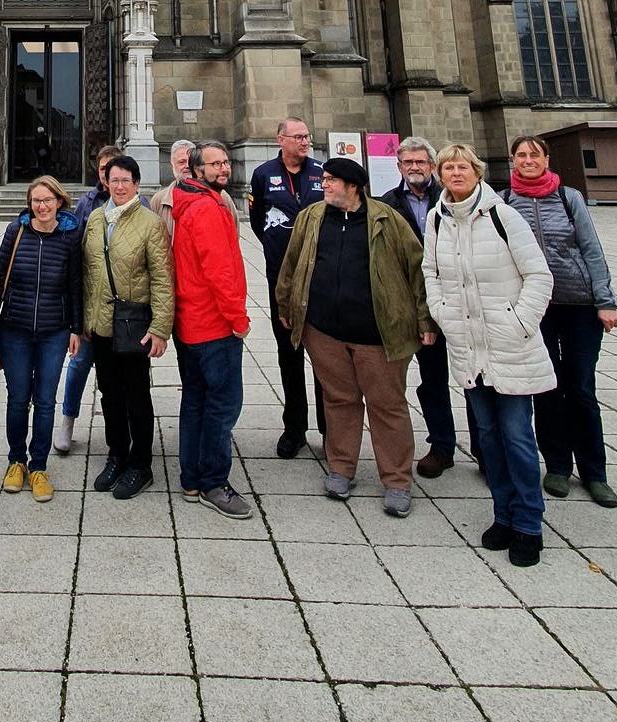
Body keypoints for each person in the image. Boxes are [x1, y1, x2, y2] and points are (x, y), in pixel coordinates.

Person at [275, 156, 434, 518]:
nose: (324, 185)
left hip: (376, 334)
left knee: (387, 405)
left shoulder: (387, 220)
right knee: (338, 400)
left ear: (353, 186)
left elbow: (417, 270)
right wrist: (286, 305)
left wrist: (425, 319)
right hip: (325, 331)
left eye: (331, 180)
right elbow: (292, 263)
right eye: (324, 179)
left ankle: (396, 479)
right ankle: (341, 467)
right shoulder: (311, 217)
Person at [422, 142, 555, 568]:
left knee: (517, 436)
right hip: (468, 346)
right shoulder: (437, 219)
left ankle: (529, 524)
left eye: (462, 167)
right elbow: (431, 273)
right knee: (489, 438)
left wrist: (519, 322)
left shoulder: (503, 215)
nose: (455, 173)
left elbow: (539, 275)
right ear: (440, 175)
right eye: (448, 168)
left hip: (508, 344)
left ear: (476, 171)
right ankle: (503, 515)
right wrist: (443, 314)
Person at [503, 135, 617, 508]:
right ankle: (556, 465)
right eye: (522, 155)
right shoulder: (505, 201)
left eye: (534, 155)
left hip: (578, 303)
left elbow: (591, 249)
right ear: (512, 161)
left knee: (582, 387)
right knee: (546, 386)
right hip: (535, 307)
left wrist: (605, 301)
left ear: (546, 159)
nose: (528, 160)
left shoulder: (569, 198)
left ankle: (594, 472)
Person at [380, 136, 484, 480]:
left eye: (421, 162)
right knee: (432, 381)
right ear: (399, 167)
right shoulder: (388, 204)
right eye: (408, 163)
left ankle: (484, 449)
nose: (414, 168)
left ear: (432, 167)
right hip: (417, 308)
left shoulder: (455, 201)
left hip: (462, 303)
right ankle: (442, 447)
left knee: (475, 378)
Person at [80, 153, 174, 499]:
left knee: (136, 394)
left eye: (125, 180)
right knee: (109, 393)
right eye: (113, 180)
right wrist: (84, 320)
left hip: (134, 323)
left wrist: (161, 327)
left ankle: (141, 464)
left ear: (136, 184)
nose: (119, 186)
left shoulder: (150, 223)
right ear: (105, 183)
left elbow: (163, 279)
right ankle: (117, 453)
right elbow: (87, 273)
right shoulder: (94, 220)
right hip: (101, 325)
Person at [171, 140, 252, 519]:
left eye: (225, 163)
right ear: (195, 170)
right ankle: (214, 481)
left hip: (191, 325)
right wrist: (238, 320)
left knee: (196, 401)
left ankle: (191, 477)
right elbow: (220, 272)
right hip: (213, 326)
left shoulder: (191, 203)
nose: (224, 169)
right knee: (222, 406)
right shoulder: (206, 208)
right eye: (215, 164)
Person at [0, 174, 81, 503]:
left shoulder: (71, 237)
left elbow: (76, 284)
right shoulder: (16, 232)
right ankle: (16, 461)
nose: (42, 206)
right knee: (17, 399)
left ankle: (39, 466)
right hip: (14, 328)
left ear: (59, 201)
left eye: (48, 200)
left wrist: (76, 328)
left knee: (45, 401)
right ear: (29, 205)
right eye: (36, 201)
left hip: (54, 331)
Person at [249, 118, 325, 457]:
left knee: (325, 355)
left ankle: (330, 428)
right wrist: (274, 246)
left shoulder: (322, 172)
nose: (305, 141)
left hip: (319, 273)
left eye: (307, 136)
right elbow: (257, 220)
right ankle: (294, 427)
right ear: (281, 139)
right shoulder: (264, 174)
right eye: (298, 137)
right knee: (288, 352)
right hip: (281, 275)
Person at [53, 141, 121, 454]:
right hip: (91, 301)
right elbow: (73, 253)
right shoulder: (86, 204)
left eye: (113, 169)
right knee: (79, 364)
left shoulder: (140, 204)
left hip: (123, 306)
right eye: (103, 170)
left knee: (121, 370)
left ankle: (121, 427)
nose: (108, 176)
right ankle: (67, 420)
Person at [151, 136, 239, 240]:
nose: (187, 166)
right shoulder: (159, 200)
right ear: (172, 165)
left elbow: (233, 235)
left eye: (190, 161)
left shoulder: (221, 197)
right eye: (181, 162)